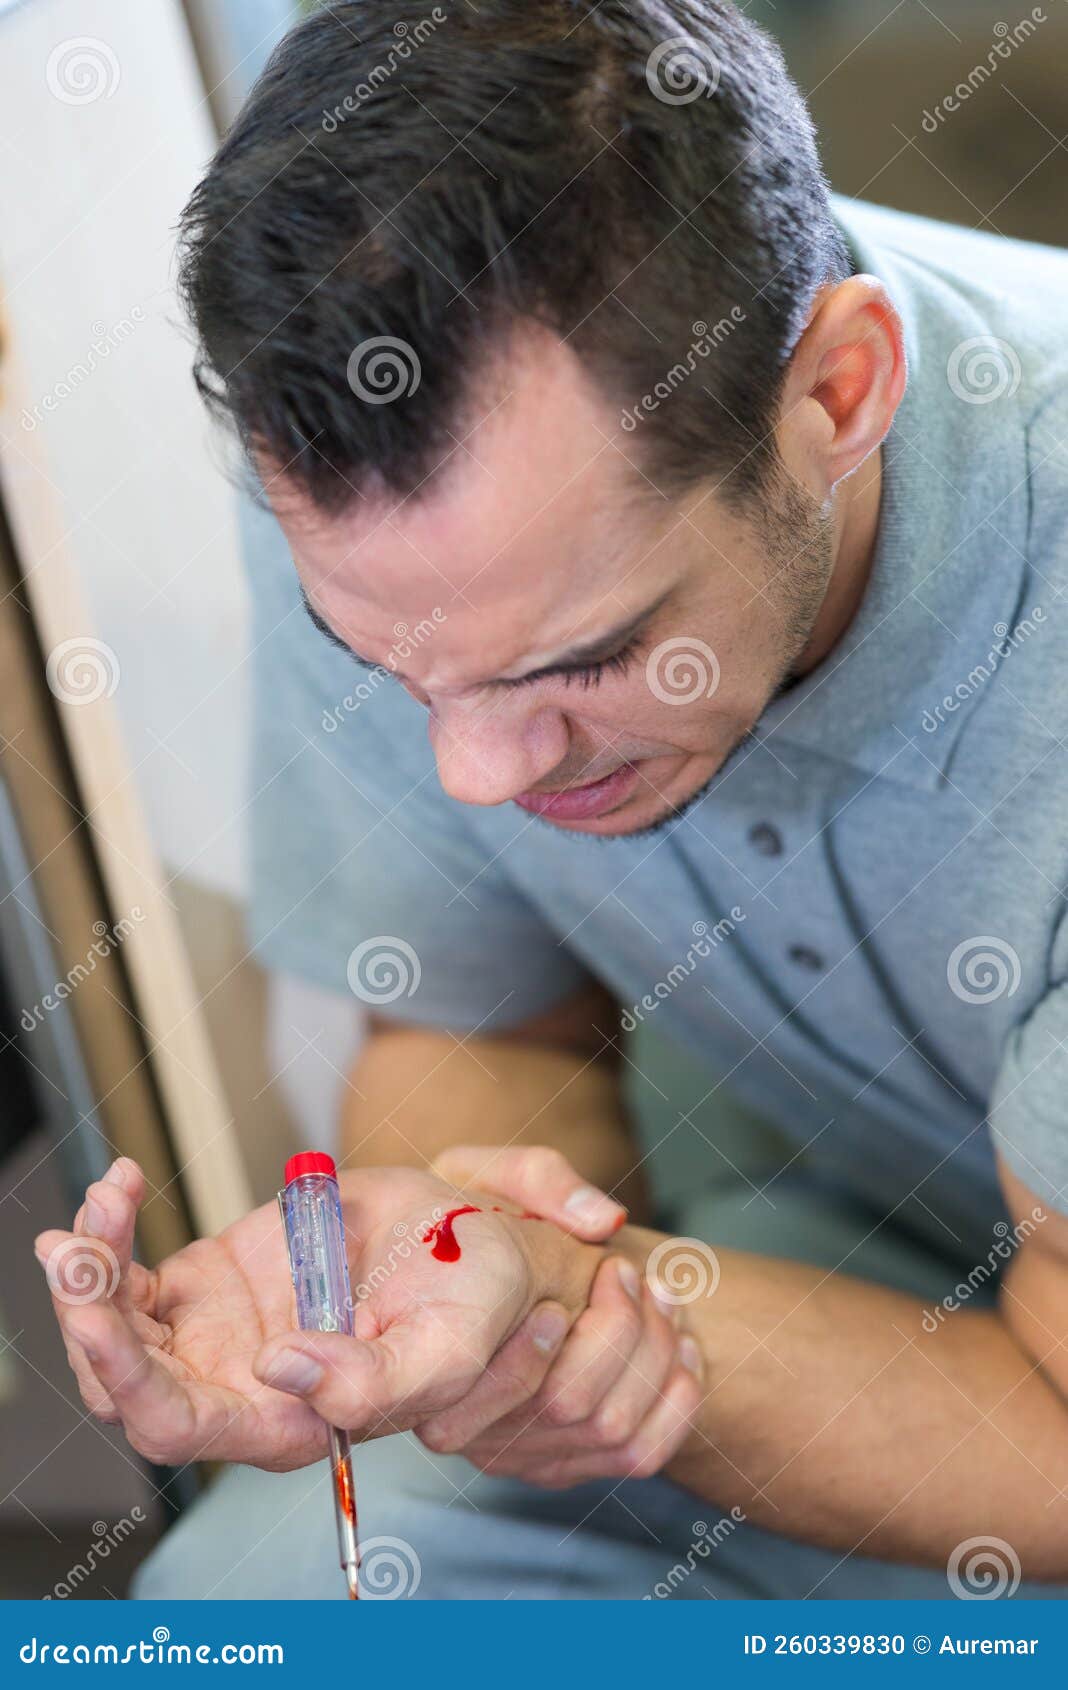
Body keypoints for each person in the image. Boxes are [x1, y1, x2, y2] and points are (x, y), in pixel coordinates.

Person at [38, 0, 1068, 1599]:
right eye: (395, 668)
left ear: (842, 391)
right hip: (824, 1253)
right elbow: (470, 1028)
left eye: (585, 658)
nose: (474, 773)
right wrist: (459, 1281)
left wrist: (581, 1305)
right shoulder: (404, 521)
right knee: (251, 1610)